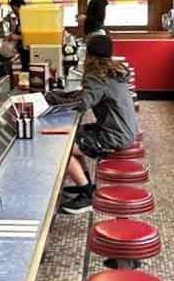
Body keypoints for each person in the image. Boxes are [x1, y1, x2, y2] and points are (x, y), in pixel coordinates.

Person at [45, 32, 137, 215]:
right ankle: (85, 184)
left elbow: (83, 102)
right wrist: (57, 97)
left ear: (88, 54)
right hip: (123, 130)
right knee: (75, 135)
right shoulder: (111, 72)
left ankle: (87, 194)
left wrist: (53, 101)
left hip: (114, 136)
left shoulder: (96, 76)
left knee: (63, 145)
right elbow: (86, 95)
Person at [8, 0, 30, 71]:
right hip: (24, 54)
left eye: (15, 11)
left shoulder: (28, 18)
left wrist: (16, 37)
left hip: (29, 54)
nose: (15, 13)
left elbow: (31, 37)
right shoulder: (21, 19)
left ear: (20, 7)